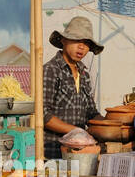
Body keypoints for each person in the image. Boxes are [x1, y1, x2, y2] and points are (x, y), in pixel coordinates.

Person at [42, 16, 103, 160]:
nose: (81, 46)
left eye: (86, 43)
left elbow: (91, 113)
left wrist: (111, 126)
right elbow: (43, 115)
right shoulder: (51, 70)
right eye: (76, 40)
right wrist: (76, 131)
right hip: (52, 153)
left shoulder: (84, 74)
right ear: (63, 40)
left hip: (79, 154)